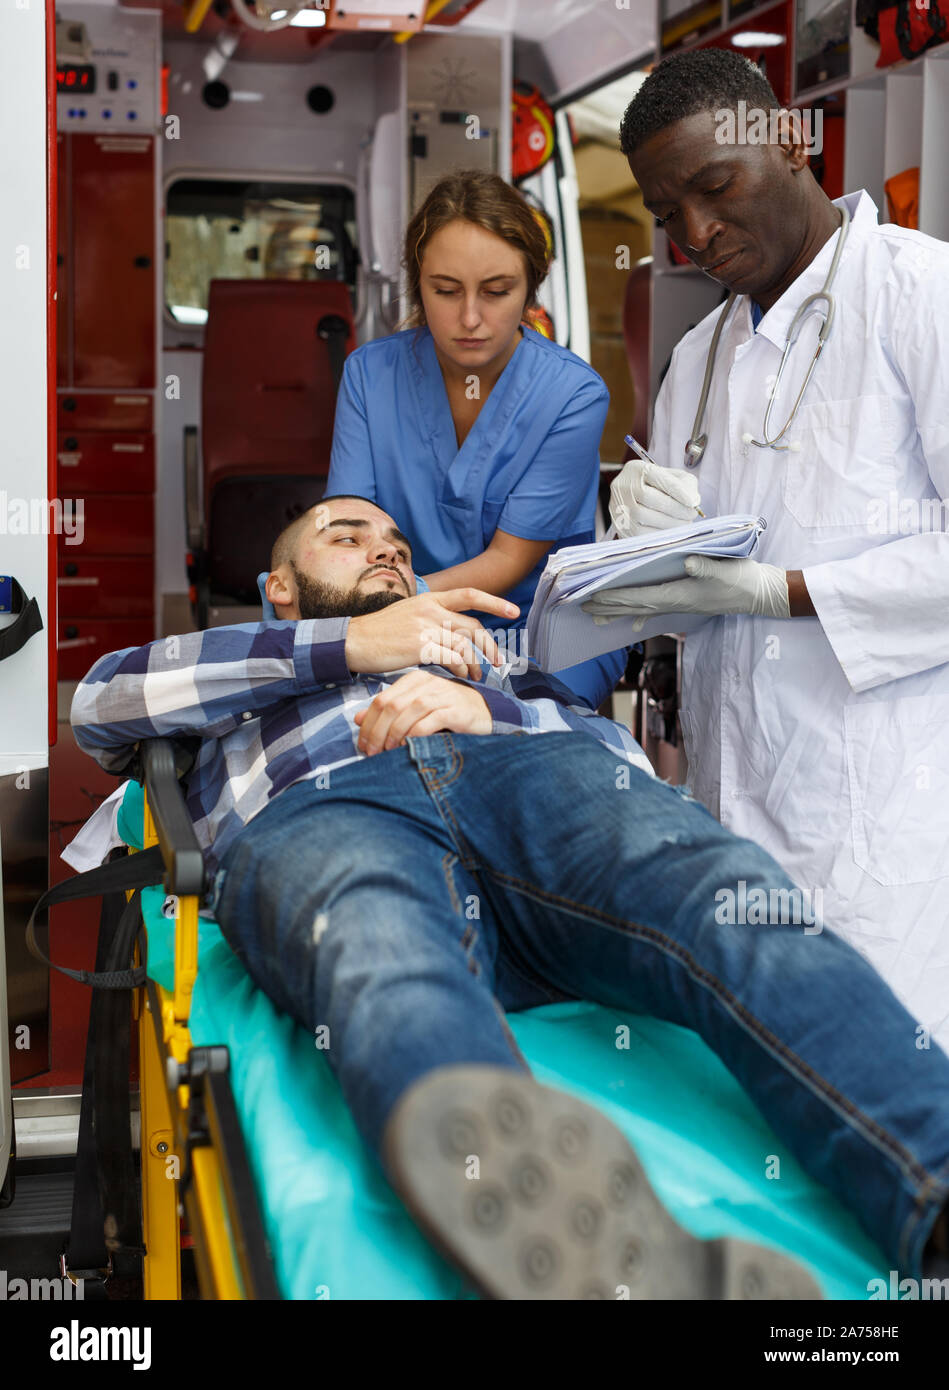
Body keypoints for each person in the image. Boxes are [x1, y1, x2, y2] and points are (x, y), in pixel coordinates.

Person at [70, 494, 949, 1301]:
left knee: (727, 896)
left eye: (396, 545)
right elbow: (101, 701)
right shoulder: (241, 668)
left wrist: (492, 714)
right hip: (330, 810)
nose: (383, 552)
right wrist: (354, 649)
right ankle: (600, 1264)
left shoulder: (497, 668)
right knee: (382, 954)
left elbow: (625, 767)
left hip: (525, 787)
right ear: (280, 589)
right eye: (346, 538)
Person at [585, 47, 949, 1055]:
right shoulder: (698, 360)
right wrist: (638, 552)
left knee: (891, 1101)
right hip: (729, 800)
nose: (696, 234)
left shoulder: (920, 296)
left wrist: (779, 591)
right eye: (667, 214)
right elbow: (692, 592)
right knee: (755, 1100)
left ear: (792, 142)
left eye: (714, 188)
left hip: (881, 820)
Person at [326, 169, 627, 710]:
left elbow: (509, 560)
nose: (470, 318)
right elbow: (351, 531)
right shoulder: (369, 377)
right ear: (417, 282)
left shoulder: (573, 394)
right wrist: (374, 617)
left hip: (536, 637)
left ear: (532, 287)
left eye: (496, 292)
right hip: (399, 621)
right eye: (445, 291)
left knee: (522, 743)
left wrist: (397, 600)